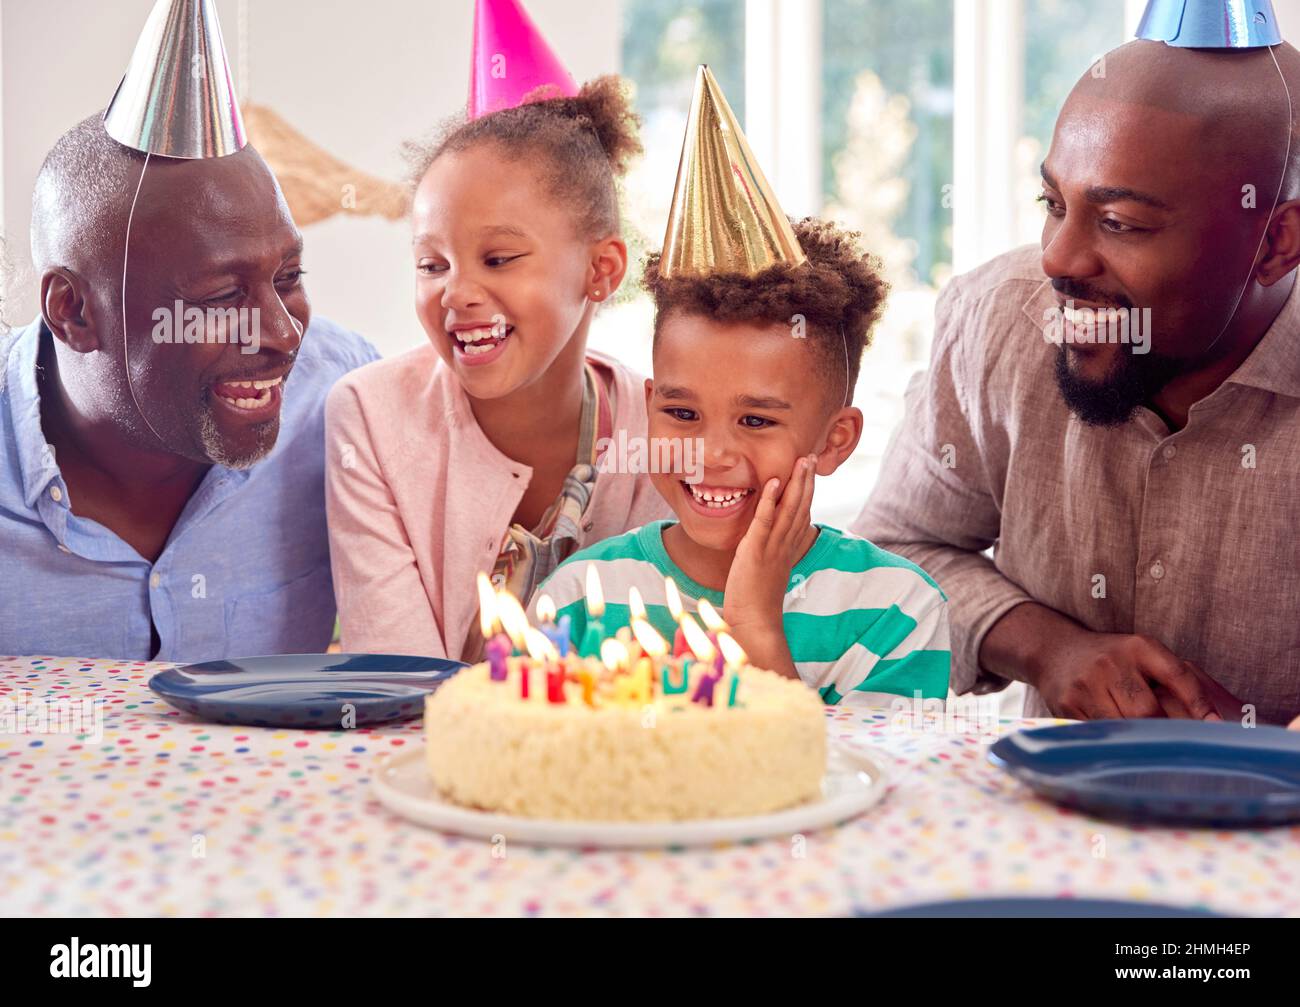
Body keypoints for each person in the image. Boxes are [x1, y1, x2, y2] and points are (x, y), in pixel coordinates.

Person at [854, 40, 1300, 724]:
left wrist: (1264, 757)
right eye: (1054, 202)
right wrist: (1046, 647)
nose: (1056, 258)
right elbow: (895, 555)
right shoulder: (998, 320)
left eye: (1120, 223)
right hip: (1041, 826)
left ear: (1274, 244)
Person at [536, 69, 949, 706]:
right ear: (649, 410)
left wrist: (754, 620)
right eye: (681, 411)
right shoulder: (582, 598)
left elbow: (857, 789)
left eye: (756, 421)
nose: (710, 453)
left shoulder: (894, 611)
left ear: (836, 440)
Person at [0, 114, 376, 661]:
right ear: (74, 311)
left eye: (289, 278)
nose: (281, 333)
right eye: (224, 297)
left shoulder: (345, 399)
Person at [325, 69, 670, 661]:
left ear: (602, 269)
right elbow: (397, 677)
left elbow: (668, 664)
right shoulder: (369, 414)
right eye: (432, 265)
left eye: (499, 258)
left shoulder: (662, 427)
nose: (457, 292)